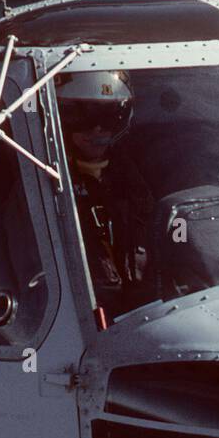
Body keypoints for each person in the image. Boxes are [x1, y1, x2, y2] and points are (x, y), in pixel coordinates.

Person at [56, 69, 155, 322]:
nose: (98, 129)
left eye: (109, 116)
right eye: (83, 117)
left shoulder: (133, 176)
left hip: (141, 310)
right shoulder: (47, 183)